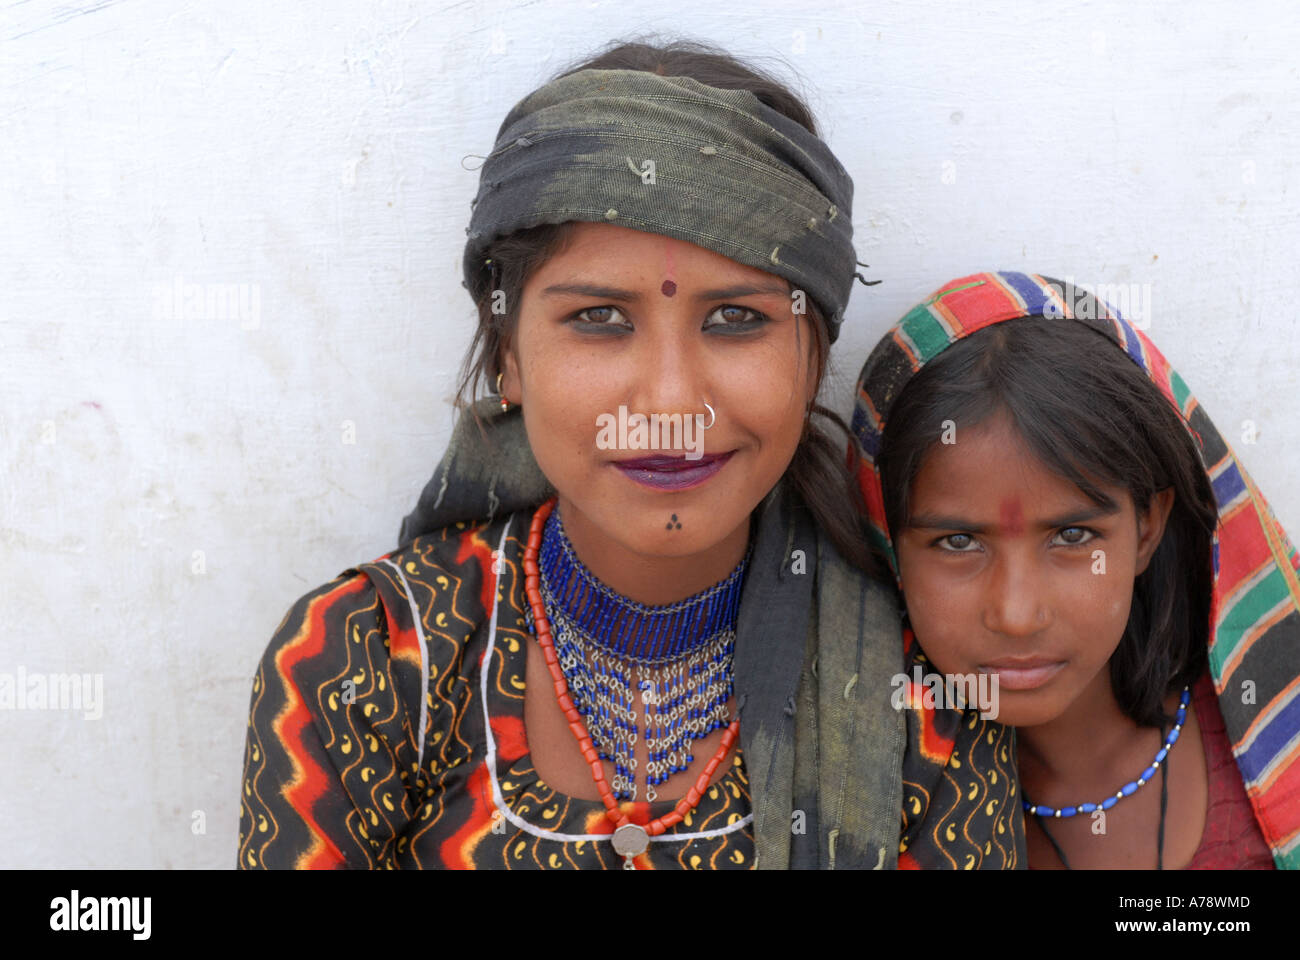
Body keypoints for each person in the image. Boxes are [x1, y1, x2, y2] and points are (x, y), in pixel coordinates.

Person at [236, 39, 1025, 870]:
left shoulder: (924, 683)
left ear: (811, 359)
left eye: (737, 320)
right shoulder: (367, 658)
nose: (672, 405)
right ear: (507, 354)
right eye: (600, 318)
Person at [853, 270, 1300, 869]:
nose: (1015, 615)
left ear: (1147, 526)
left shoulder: (1274, 735)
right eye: (958, 541)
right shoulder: (873, 812)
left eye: (1071, 535)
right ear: (890, 540)